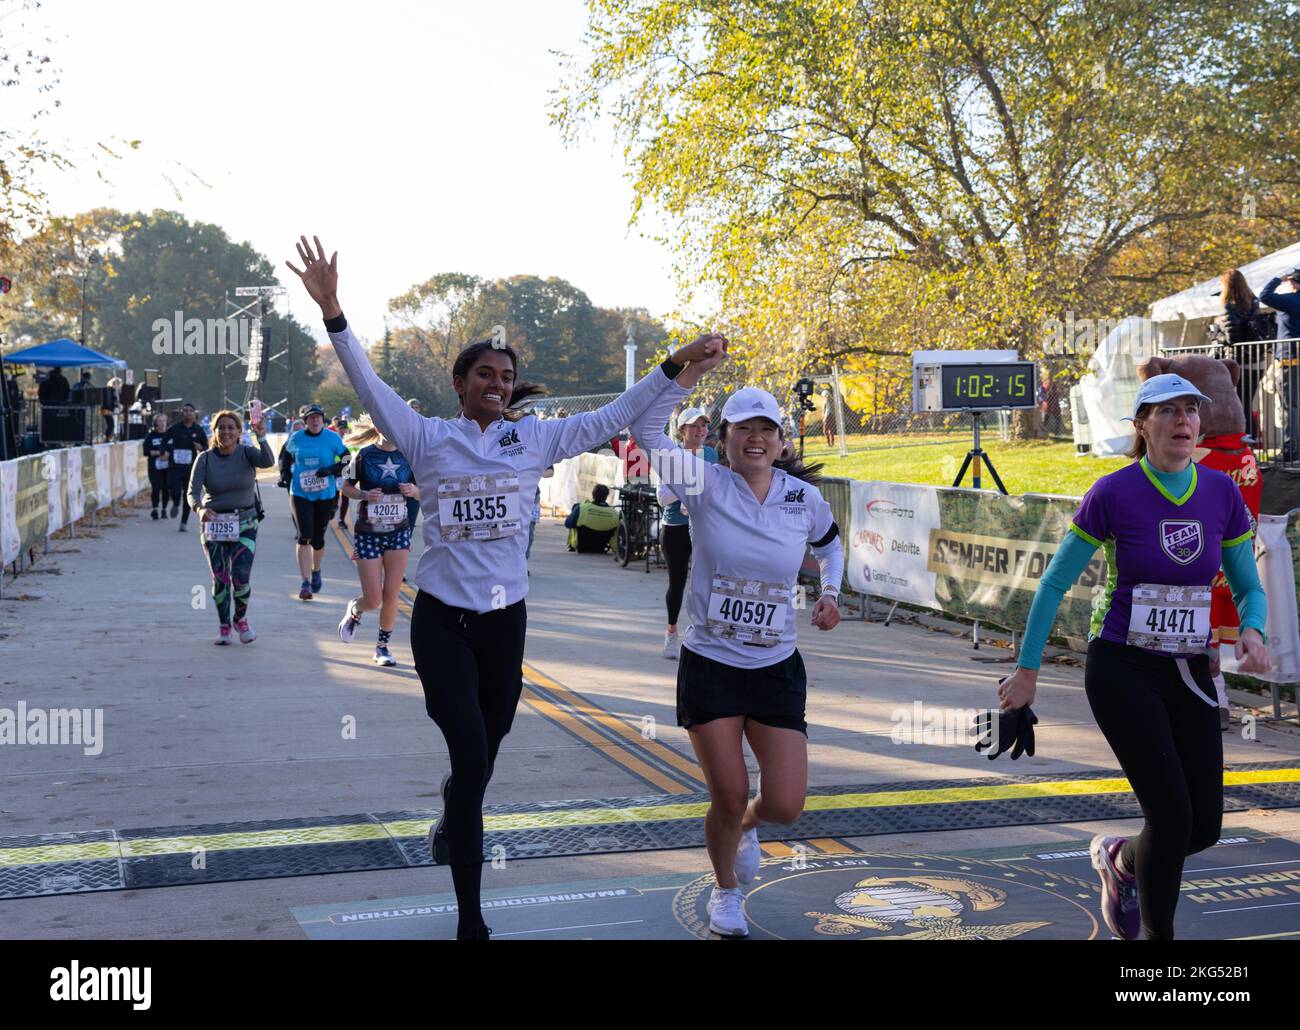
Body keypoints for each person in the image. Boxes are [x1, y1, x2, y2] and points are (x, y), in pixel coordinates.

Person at [287, 234, 724, 941]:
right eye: (482, 374)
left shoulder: (538, 440)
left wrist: (677, 364)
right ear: (460, 386)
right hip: (441, 623)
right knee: (468, 752)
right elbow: (366, 382)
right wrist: (334, 311)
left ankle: (451, 811)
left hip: (504, 625)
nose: (495, 382)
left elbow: (616, 415)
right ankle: (470, 919)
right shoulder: (427, 438)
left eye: (504, 375)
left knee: (482, 763)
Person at [996, 373, 1270, 941]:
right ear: (1142, 426)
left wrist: (1254, 629)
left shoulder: (1221, 493)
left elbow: (1248, 586)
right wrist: (1027, 671)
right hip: (1122, 664)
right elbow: (1053, 585)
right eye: (1166, 412)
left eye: (1191, 411)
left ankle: (1119, 863)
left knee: (1204, 828)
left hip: (1191, 668)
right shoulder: (1113, 492)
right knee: (1169, 816)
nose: (1183, 422)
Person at [630, 369, 844, 939]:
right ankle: (726, 892)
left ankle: (749, 828)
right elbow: (647, 427)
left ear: (781, 441)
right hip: (712, 664)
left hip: (776, 665)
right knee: (726, 793)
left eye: (766, 429)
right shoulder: (702, 483)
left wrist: (830, 593)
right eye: (743, 427)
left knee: (785, 804)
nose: (756, 437)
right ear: (723, 437)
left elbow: (830, 545)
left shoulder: (804, 498)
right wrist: (685, 369)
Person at [337, 416, 420, 666]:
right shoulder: (363, 455)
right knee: (373, 598)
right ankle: (356, 609)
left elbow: (426, 488)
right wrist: (363, 494)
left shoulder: (411, 455)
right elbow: (345, 487)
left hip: (399, 532)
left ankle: (382, 647)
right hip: (367, 533)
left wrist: (414, 491)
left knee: (391, 593)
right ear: (377, 428)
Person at [188, 409, 275, 644]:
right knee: (220, 578)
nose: (226, 431)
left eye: (231, 427)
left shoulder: (247, 453)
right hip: (214, 524)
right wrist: (200, 509)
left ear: (239, 432)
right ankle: (224, 625)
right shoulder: (205, 458)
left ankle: (240, 619)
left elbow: (268, 461)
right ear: (214, 431)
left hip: (245, 522)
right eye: (221, 427)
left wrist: (261, 436)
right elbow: (192, 492)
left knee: (241, 577)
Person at [658, 406, 717, 658]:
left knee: (711, 582)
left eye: (704, 425)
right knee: (678, 582)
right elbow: (662, 497)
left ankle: (707, 635)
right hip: (676, 527)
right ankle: (671, 633)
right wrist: (690, 483)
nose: (700, 430)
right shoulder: (670, 455)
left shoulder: (712, 455)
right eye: (694, 426)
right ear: (682, 430)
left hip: (706, 526)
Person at [283, 403, 351, 600]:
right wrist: (285, 476)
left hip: (325, 493)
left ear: (323, 420)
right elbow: (286, 459)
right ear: (305, 421)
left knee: (318, 538)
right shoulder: (296, 438)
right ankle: (305, 582)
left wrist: (330, 470)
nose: (315, 420)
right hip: (300, 493)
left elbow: (347, 459)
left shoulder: (332, 438)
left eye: (318, 417)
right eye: (311, 418)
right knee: (304, 535)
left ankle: (316, 569)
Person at [1217, 269, 1265, 437]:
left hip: (1238, 363)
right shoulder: (1254, 302)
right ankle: (1249, 441)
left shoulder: (1229, 306)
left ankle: (1241, 440)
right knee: (1245, 403)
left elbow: (1232, 338)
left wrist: (1217, 333)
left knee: (1236, 404)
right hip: (1257, 361)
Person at [163, 404, 209, 531]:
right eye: (185, 411)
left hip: (191, 468)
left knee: (188, 496)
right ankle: (176, 503)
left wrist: (201, 447)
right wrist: (165, 452)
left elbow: (206, 447)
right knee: (175, 491)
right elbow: (164, 441)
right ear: (181, 413)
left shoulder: (198, 430)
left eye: (190, 411)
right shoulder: (175, 428)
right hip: (175, 466)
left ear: (194, 413)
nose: (187, 413)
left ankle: (184, 523)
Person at [564, 484, 620, 553]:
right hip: (601, 545)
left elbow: (568, 524)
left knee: (575, 519)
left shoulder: (581, 508)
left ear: (593, 494)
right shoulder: (614, 513)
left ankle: (571, 546)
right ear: (606, 496)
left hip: (582, 545)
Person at [144, 414, 170, 519]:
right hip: (154, 466)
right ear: (156, 423)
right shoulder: (151, 436)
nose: (162, 423)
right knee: (156, 487)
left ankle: (164, 509)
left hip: (168, 467)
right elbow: (146, 451)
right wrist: (158, 453)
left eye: (164, 421)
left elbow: (175, 448)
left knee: (166, 488)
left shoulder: (170, 435)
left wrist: (169, 454)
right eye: (160, 421)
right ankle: (155, 509)